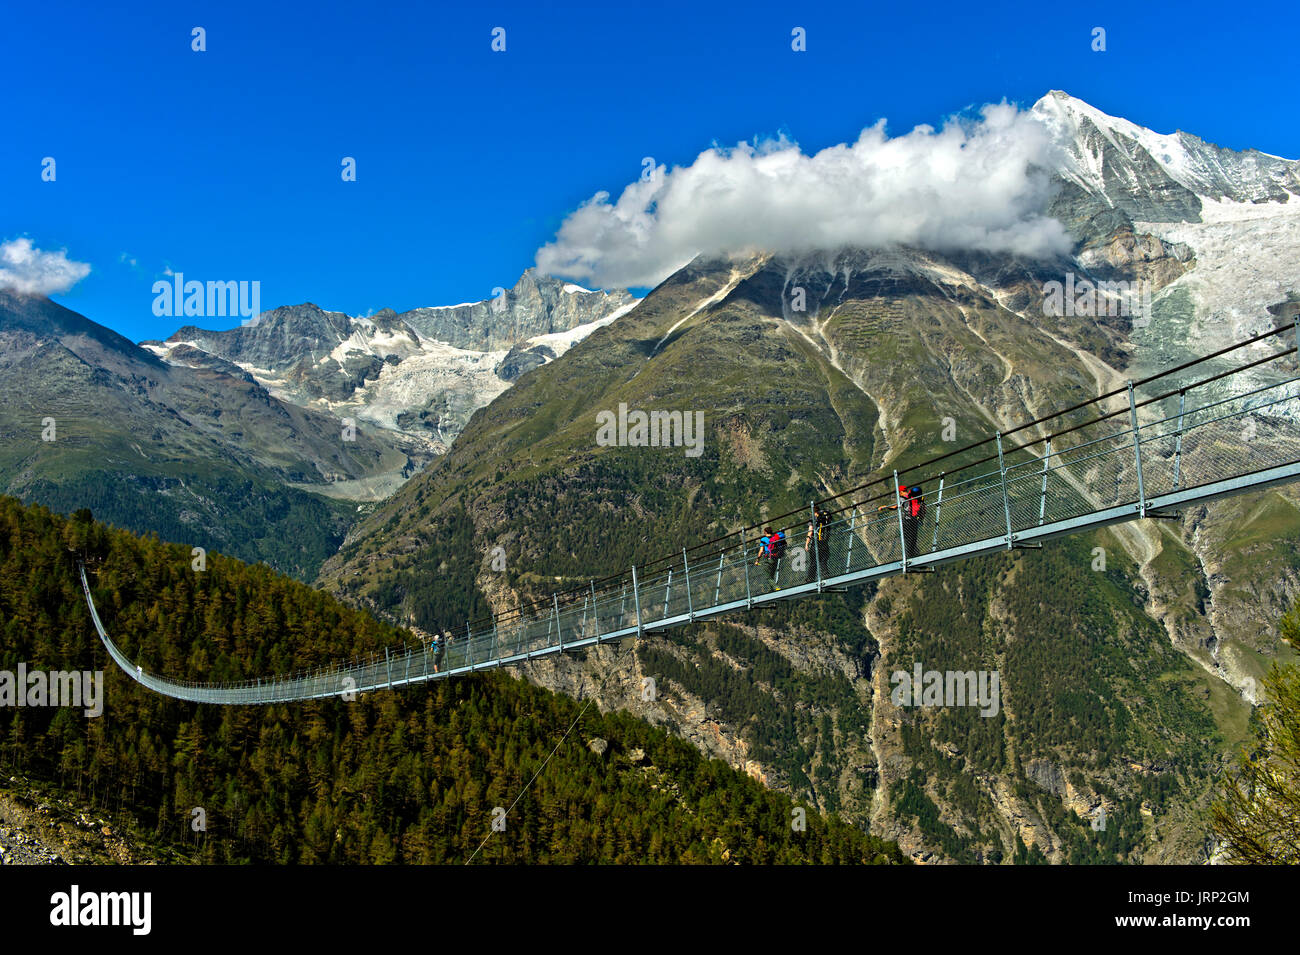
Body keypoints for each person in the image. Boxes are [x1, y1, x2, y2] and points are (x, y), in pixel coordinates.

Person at [879, 485, 925, 559]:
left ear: (900, 492)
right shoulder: (913, 496)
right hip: (915, 519)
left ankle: (910, 555)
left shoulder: (902, 498)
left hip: (907, 519)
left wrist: (885, 507)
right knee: (913, 537)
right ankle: (915, 554)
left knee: (907, 537)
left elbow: (895, 507)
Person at [806, 504, 831, 582]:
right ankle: (826, 575)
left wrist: (806, 544)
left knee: (814, 561)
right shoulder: (825, 519)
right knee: (823, 560)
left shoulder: (813, 520)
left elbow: (810, 532)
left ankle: (810, 578)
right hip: (824, 541)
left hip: (816, 542)